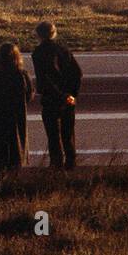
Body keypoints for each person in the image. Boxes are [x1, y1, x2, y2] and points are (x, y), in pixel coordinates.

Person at [30, 21, 82, 169]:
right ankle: (71, 162)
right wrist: (72, 94)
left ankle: (56, 164)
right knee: (68, 133)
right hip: (68, 98)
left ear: (39, 35)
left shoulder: (38, 53)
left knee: (53, 135)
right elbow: (77, 73)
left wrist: (60, 95)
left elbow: (45, 78)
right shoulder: (63, 50)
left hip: (51, 98)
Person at [0, 42, 34, 178]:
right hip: (16, 115)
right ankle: (13, 177)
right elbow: (30, 93)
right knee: (15, 146)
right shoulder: (21, 74)